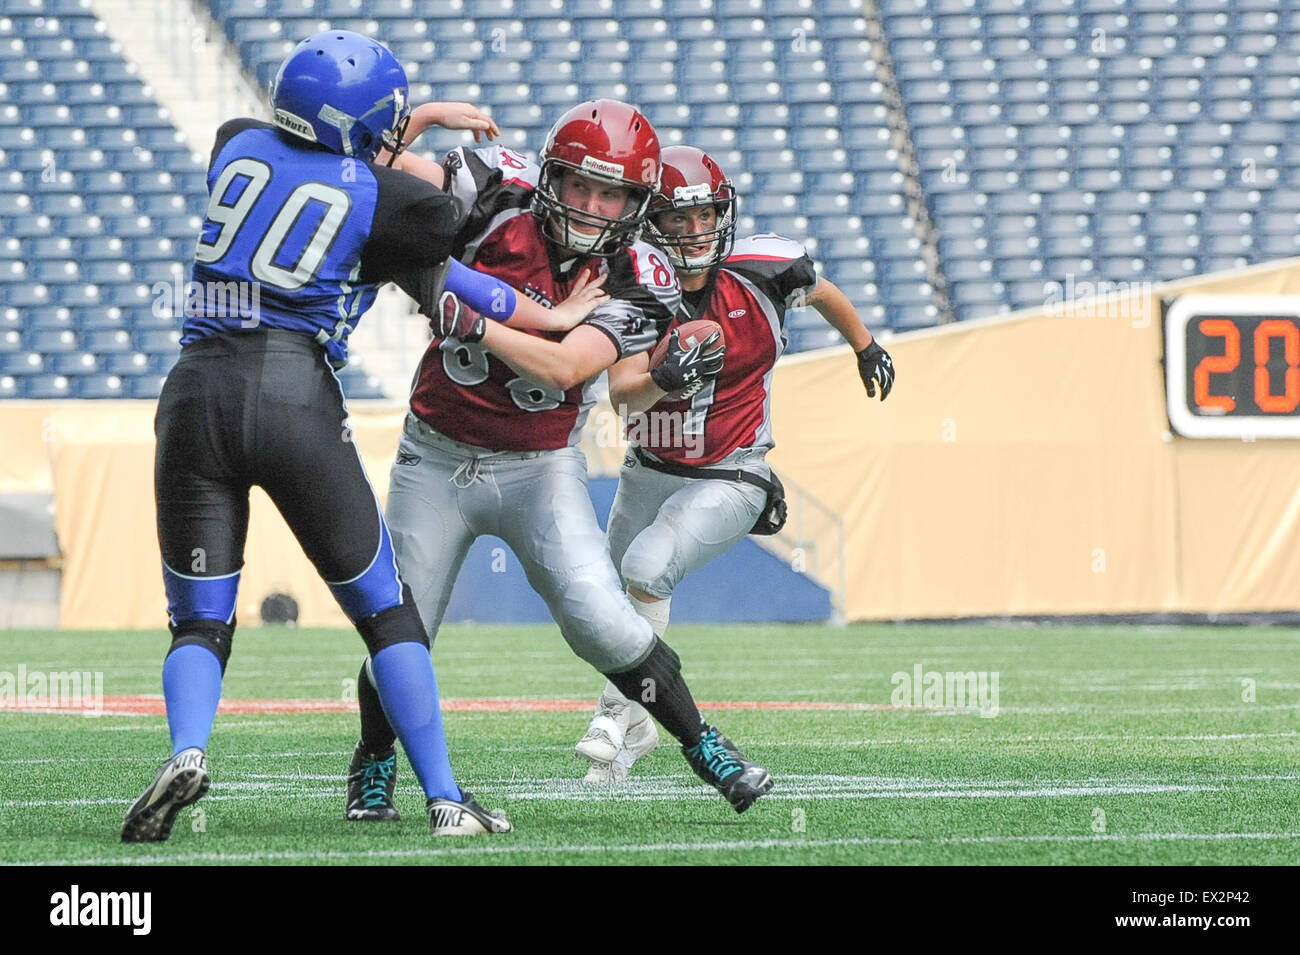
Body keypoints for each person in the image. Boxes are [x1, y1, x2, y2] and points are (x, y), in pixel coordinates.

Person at [120, 31, 603, 842]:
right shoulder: (395, 204)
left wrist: (401, 129)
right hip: (290, 393)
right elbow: (440, 247)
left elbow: (326, 157)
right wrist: (553, 317)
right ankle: (447, 797)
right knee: (387, 615)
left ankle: (189, 749)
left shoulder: (235, 144)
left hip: (193, 391)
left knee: (199, 622)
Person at [344, 100, 775, 824]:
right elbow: (368, 170)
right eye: (580, 186)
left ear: (637, 203)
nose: (593, 206)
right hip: (437, 454)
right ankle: (375, 759)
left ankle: (704, 743)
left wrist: (477, 316)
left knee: (601, 619)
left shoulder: (641, 273)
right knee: (404, 625)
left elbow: (570, 366)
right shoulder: (492, 191)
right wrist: (417, 120)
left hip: (538, 465)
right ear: (550, 177)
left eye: (612, 194)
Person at [572, 145, 896, 782]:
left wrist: (865, 345)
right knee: (610, 605)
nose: (695, 232)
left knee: (646, 568)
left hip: (734, 468)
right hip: (652, 461)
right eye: (677, 219)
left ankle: (611, 717)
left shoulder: (763, 273)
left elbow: (821, 290)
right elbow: (621, 395)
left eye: (704, 216)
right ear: (650, 224)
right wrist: (666, 376)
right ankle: (638, 733)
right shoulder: (632, 283)